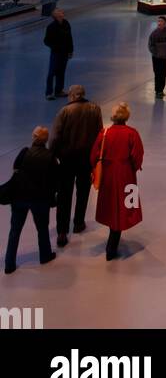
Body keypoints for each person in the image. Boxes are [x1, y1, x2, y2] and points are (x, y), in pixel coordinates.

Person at [49, 85, 103, 247]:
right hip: (86, 159)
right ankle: (79, 222)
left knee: (64, 195)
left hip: (66, 159)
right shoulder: (95, 109)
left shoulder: (65, 111)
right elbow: (100, 132)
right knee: (83, 191)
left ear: (72, 96)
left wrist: (52, 156)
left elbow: (55, 137)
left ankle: (62, 231)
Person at [90, 102, 144, 261]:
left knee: (110, 204)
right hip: (126, 174)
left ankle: (113, 235)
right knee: (128, 204)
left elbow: (93, 155)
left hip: (108, 174)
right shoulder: (132, 133)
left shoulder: (104, 133)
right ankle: (113, 240)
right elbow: (137, 156)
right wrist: (133, 167)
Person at [4, 126, 58, 274]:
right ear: (46, 140)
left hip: (19, 197)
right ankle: (45, 255)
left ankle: (9, 264)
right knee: (42, 228)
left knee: (15, 230)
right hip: (40, 200)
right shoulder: (50, 157)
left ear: (33, 137)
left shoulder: (24, 152)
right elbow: (54, 181)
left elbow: (15, 170)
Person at [44, 7, 73, 100]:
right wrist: (54, 47)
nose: (61, 12)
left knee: (61, 72)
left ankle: (58, 91)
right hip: (56, 53)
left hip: (64, 53)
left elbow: (70, 38)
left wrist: (70, 51)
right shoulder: (51, 27)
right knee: (51, 73)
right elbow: (46, 40)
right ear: (55, 16)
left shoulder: (66, 23)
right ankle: (49, 93)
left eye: (61, 11)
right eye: (59, 11)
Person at [147, 15, 166, 99]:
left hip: (164, 57)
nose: (159, 23)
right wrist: (155, 53)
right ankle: (157, 90)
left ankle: (161, 90)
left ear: (164, 23)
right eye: (158, 21)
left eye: (161, 21)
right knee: (157, 73)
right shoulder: (154, 34)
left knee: (164, 73)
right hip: (156, 58)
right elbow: (150, 45)